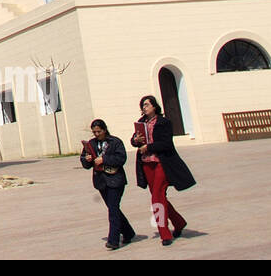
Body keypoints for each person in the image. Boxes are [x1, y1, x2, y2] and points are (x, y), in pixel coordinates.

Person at [131, 95, 196, 246]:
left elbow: (166, 143)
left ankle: (164, 233)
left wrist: (149, 147)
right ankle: (178, 223)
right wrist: (136, 141)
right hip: (146, 163)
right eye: (143, 105)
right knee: (159, 197)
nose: (144, 107)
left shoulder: (164, 122)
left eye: (147, 104)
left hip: (161, 162)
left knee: (156, 198)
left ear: (154, 106)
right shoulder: (141, 123)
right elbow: (134, 140)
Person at [81, 118, 135, 250]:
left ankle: (113, 240)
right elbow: (85, 162)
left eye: (99, 131)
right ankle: (128, 232)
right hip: (101, 181)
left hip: (115, 180)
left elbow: (121, 158)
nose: (97, 134)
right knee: (113, 208)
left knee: (113, 210)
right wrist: (87, 160)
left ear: (104, 130)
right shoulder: (91, 144)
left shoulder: (115, 142)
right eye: (94, 132)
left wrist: (104, 159)